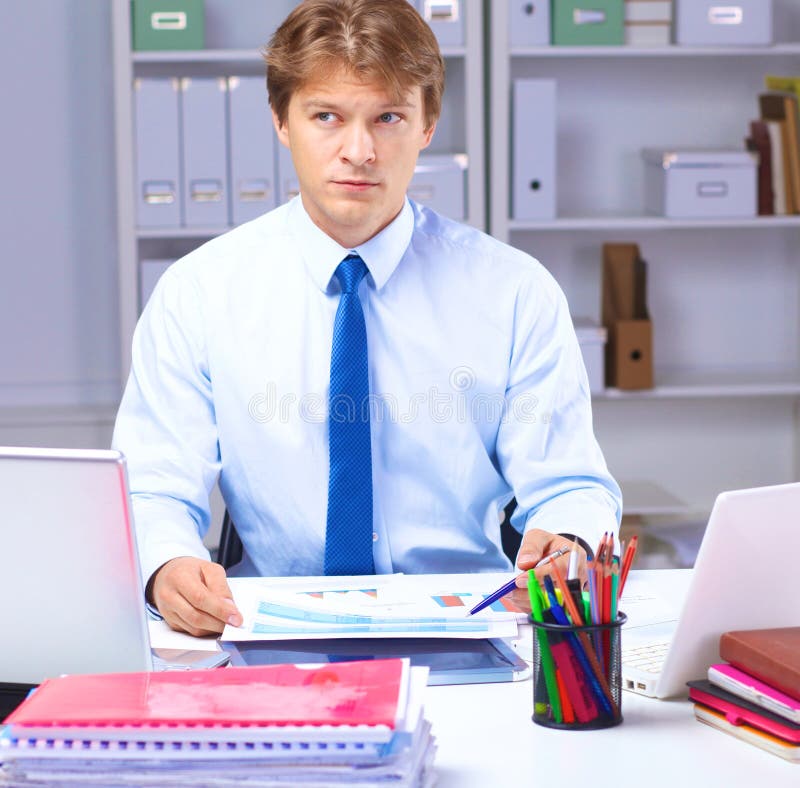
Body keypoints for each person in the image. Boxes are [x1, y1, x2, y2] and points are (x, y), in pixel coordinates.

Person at [112, 0, 622, 637]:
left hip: (468, 618)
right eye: (326, 116)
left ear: (428, 124)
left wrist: (570, 541)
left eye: (388, 117)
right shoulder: (199, 292)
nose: (359, 151)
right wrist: (167, 566)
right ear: (281, 120)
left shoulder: (515, 293)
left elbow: (571, 481)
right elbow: (153, 486)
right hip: (268, 627)